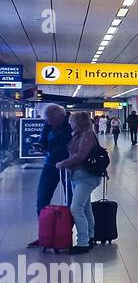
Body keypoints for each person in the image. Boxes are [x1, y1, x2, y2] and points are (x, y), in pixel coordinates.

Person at [27, 105, 73, 248]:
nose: (49, 123)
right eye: (47, 120)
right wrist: (40, 145)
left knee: (71, 201)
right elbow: (43, 140)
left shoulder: (72, 124)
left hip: (69, 166)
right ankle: (45, 234)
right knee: (42, 198)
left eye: (51, 120)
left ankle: (63, 234)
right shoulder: (48, 124)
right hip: (51, 164)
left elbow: (73, 145)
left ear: (61, 116)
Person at [56, 111, 101, 255]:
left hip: (86, 177)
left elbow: (82, 155)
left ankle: (83, 243)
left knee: (76, 208)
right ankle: (90, 236)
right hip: (79, 176)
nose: (70, 124)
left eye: (72, 121)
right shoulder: (78, 134)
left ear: (77, 122)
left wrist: (64, 163)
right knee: (85, 208)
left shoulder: (87, 135)